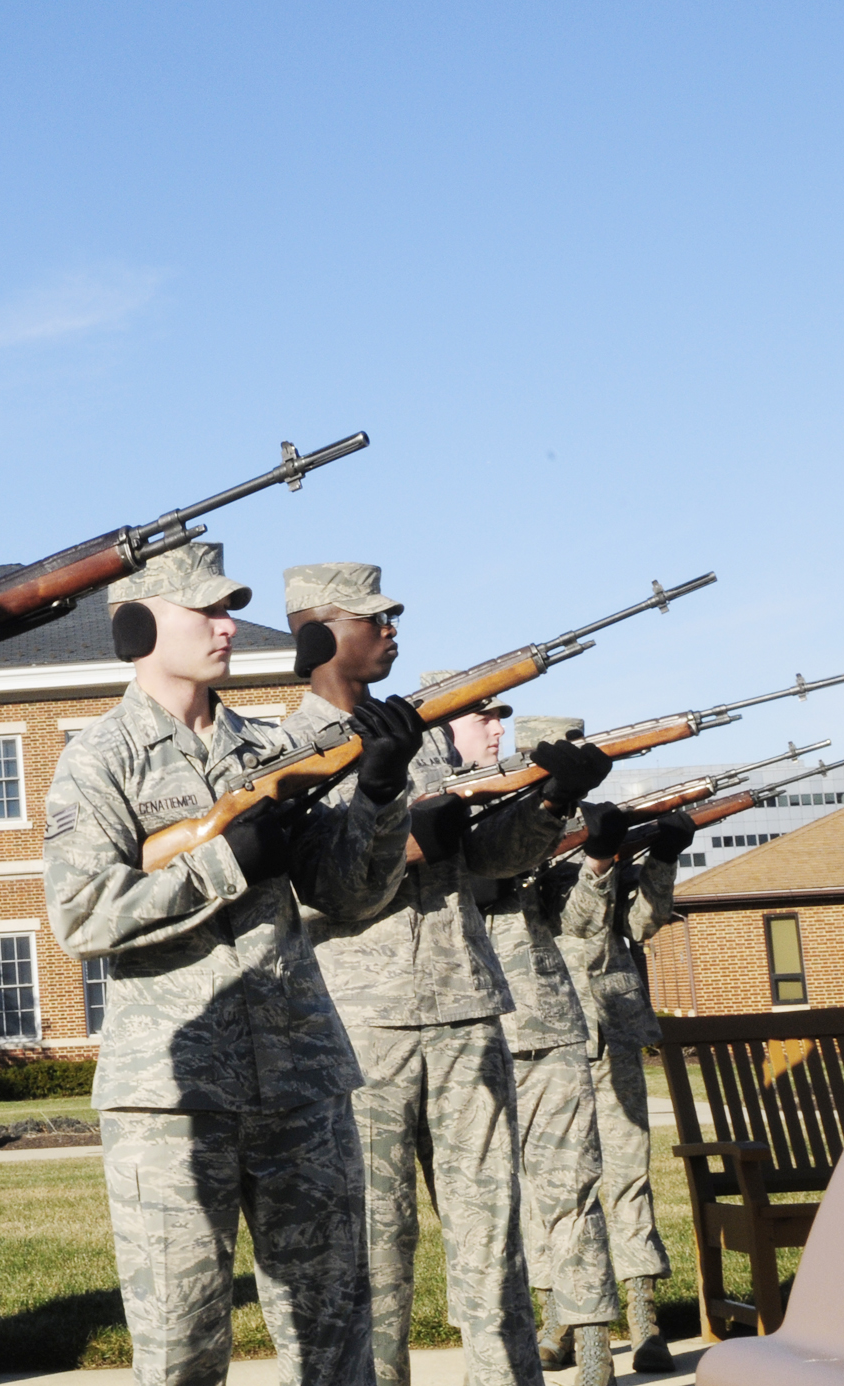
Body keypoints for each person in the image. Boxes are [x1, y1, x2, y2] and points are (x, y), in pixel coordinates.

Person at [42, 544, 422, 1386]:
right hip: (170, 1099)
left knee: (335, 1334)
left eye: (229, 611)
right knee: (182, 1344)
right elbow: (82, 914)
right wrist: (224, 864)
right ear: (138, 626)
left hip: (301, 1078)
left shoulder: (271, 751)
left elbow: (350, 895)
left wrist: (380, 795)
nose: (227, 628)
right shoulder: (100, 757)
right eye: (205, 611)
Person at [278, 564, 613, 1386]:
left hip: (464, 1004)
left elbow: (484, 860)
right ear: (319, 631)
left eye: (392, 616)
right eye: (373, 618)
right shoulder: (288, 751)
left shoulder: (423, 736)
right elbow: (320, 890)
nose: (391, 629)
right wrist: (399, 820)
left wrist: (549, 805)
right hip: (366, 1022)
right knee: (376, 1241)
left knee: (492, 1231)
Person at [456, 708, 619, 1386]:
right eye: (484, 718)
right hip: (468, 1028)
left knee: (571, 1189)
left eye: (504, 721)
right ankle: (514, 1344)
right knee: (487, 1205)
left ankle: (593, 1348)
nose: (496, 730)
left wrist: (598, 862)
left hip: (547, 1024)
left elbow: (576, 923)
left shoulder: (550, 818)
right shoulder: (433, 806)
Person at [556, 789, 697, 1374]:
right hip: (545, 1026)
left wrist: (662, 858)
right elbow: (571, 925)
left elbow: (641, 923)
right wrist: (594, 859)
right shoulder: (513, 837)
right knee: (560, 1184)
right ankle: (562, 1317)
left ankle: (644, 1319)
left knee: (628, 1173)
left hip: (612, 1026)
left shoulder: (604, 825)